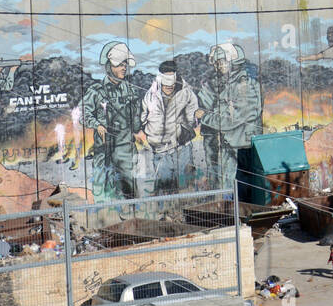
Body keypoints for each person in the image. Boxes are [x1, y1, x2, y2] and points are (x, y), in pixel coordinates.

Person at [82, 42, 145, 202]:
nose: (123, 68)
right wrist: (97, 125)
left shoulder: (131, 90)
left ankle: (131, 217)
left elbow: (137, 120)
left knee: (128, 190)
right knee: (102, 190)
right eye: (119, 65)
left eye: (125, 64)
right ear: (109, 66)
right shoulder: (96, 91)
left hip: (125, 149)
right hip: (104, 150)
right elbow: (83, 113)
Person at [198, 44, 264, 194]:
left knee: (246, 190)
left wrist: (205, 117)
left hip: (243, 147)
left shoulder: (244, 86)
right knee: (229, 187)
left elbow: (232, 119)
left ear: (234, 61)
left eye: (224, 61)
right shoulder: (230, 84)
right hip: (232, 144)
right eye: (218, 62)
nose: (220, 66)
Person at [141, 60, 204, 195]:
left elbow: (192, 118)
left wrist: (193, 119)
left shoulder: (186, 93)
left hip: (182, 148)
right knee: (164, 189)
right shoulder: (150, 95)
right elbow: (143, 115)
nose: (169, 86)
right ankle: (167, 214)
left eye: (172, 81)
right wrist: (150, 132)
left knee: (185, 186)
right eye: (166, 82)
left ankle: (183, 213)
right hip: (160, 150)